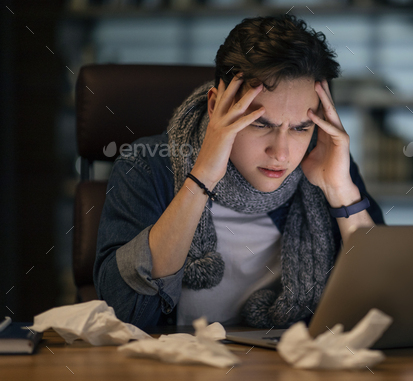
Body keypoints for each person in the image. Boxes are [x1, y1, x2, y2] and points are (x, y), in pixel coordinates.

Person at [93, 14, 385, 330]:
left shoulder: (326, 163)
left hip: (289, 371)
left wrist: (341, 191)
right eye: (260, 124)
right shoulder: (148, 165)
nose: (282, 153)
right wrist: (202, 176)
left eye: (301, 128)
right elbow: (124, 315)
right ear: (216, 105)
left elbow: (381, 309)